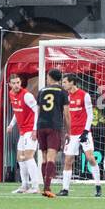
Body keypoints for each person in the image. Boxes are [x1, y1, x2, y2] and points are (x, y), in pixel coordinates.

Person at [57, 74, 103, 197]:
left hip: (84, 133)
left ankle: (98, 186)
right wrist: (66, 131)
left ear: (72, 83)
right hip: (71, 134)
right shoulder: (64, 97)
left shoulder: (84, 95)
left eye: (65, 82)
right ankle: (65, 189)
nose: (63, 84)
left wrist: (86, 131)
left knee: (90, 158)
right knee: (68, 160)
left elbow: (90, 115)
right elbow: (66, 116)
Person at [34, 68, 68, 199]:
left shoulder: (42, 91)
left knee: (43, 157)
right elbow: (66, 113)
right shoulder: (62, 92)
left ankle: (45, 186)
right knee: (51, 158)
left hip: (41, 125)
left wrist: (37, 127)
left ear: (49, 77)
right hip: (54, 126)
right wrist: (68, 130)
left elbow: (37, 110)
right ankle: (47, 188)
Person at [7, 74, 42, 195]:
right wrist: (11, 125)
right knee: (20, 158)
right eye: (14, 83)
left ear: (20, 82)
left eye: (18, 82)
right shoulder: (11, 94)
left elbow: (37, 110)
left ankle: (35, 186)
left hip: (30, 130)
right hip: (22, 131)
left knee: (28, 156)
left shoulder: (27, 95)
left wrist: (35, 129)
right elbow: (17, 111)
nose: (16, 85)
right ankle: (24, 185)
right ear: (10, 84)